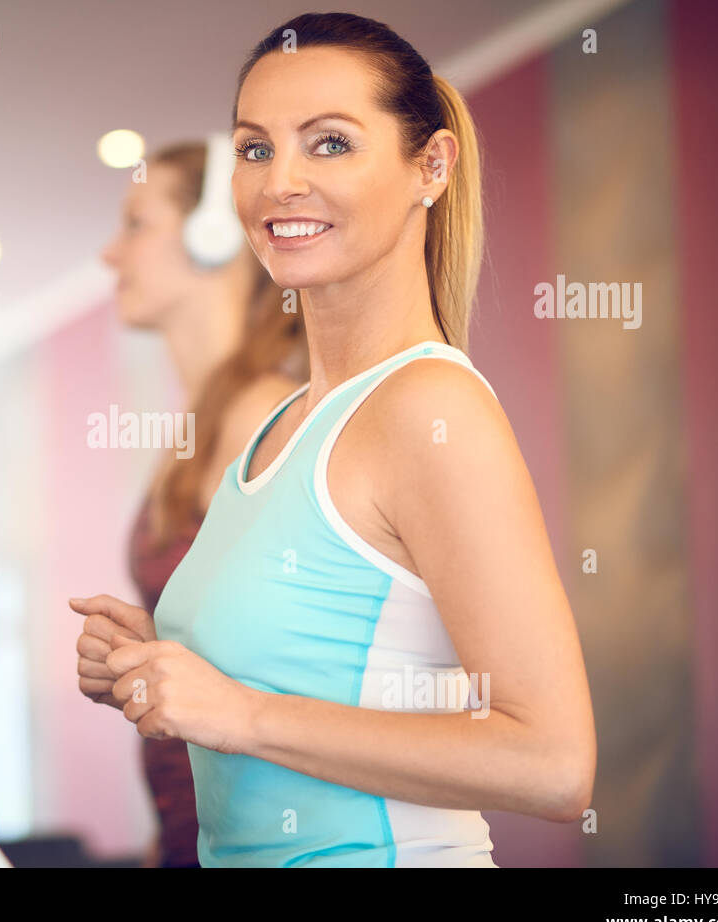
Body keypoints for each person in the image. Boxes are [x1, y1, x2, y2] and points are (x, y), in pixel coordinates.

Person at [71, 12, 596, 866]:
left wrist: (237, 713)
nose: (279, 182)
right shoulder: (279, 429)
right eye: (253, 148)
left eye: (329, 144)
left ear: (431, 166)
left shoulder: (429, 407)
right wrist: (159, 662)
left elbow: (554, 763)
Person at [79, 137, 307, 867]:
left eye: (135, 224)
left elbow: (302, 665)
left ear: (214, 235)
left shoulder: (266, 415)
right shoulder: (194, 430)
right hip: (194, 833)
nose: (110, 256)